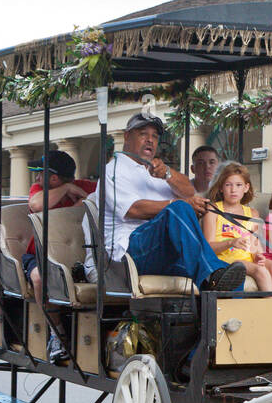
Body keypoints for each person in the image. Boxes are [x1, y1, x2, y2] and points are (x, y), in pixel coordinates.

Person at [87, 112, 246, 292]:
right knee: (178, 207)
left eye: (155, 136)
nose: (150, 140)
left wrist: (168, 174)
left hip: (162, 253)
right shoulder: (114, 169)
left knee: (231, 277)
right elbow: (134, 209)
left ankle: (222, 317)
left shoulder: (156, 170)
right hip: (129, 252)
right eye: (143, 134)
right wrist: (178, 204)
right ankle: (211, 273)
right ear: (126, 136)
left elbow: (189, 191)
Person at [25, 149, 91, 363]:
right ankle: (56, 333)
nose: (36, 178)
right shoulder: (39, 189)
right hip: (39, 254)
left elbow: (104, 197)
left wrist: (84, 200)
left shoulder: (86, 186)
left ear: (52, 176)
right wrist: (68, 188)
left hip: (79, 256)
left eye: (40, 172)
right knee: (38, 277)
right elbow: (35, 205)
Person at [201, 162, 272, 291]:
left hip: (248, 260)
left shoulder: (252, 213)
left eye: (238, 185)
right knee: (261, 271)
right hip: (226, 261)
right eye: (228, 185)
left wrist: (258, 256)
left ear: (246, 188)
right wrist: (231, 242)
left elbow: (255, 246)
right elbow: (208, 248)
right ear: (221, 188)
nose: (233, 189)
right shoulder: (213, 210)